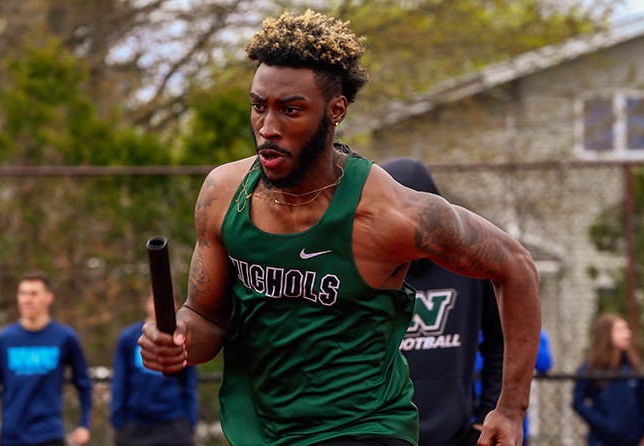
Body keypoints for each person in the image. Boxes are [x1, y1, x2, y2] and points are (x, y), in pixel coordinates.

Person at [138, 9, 541, 446]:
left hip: (363, 429)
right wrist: (176, 340)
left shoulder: (390, 213)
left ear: (335, 111)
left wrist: (510, 408)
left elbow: (516, 266)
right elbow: (206, 318)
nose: (267, 128)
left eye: (290, 110)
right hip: (259, 431)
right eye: (258, 107)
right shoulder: (223, 194)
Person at [381, 158, 505, 446]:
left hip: (457, 434)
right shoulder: (367, 266)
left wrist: (486, 414)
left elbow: (501, 340)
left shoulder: (470, 264)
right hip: (382, 434)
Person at [0, 270, 92, 446]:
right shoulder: (3, 339)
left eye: (34, 294)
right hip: (11, 434)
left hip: (49, 433)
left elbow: (83, 382)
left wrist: (84, 424)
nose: (27, 299)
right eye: (22, 293)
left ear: (48, 298)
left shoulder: (64, 337)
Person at [110, 294, 199, 446]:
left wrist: (189, 421)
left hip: (174, 424)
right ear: (146, 304)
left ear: (176, 305)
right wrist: (118, 420)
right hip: (134, 425)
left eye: (168, 301)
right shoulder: (128, 336)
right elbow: (119, 381)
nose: (160, 306)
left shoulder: (182, 337)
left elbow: (190, 384)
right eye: (155, 300)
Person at [572, 313, 644, 446]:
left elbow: (643, 403)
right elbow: (578, 402)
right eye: (621, 330)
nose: (628, 334)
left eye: (627, 329)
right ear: (606, 334)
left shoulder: (633, 367)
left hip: (633, 441)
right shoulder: (590, 369)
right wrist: (604, 424)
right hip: (601, 441)